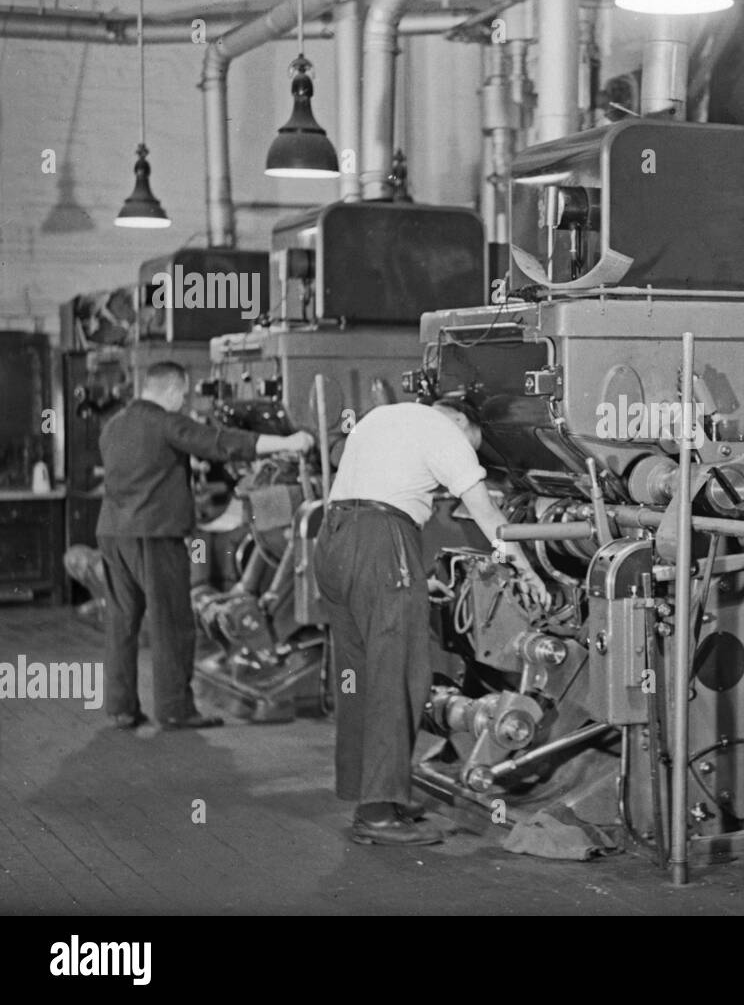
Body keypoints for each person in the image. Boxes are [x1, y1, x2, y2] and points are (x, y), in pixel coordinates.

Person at [314, 397, 549, 846]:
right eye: (475, 445)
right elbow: (488, 516)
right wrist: (526, 570)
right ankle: (378, 813)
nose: (471, 455)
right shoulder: (446, 431)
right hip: (382, 540)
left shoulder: (382, 415)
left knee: (359, 675)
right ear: (462, 420)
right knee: (396, 674)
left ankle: (371, 794)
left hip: (335, 539)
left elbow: (377, 489)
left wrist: (409, 583)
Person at [98, 361, 316, 730]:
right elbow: (221, 443)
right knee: (172, 622)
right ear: (169, 390)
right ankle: (175, 710)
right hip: (156, 534)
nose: (183, 402)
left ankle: (120, 708)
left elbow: (144, 466)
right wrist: (289, 442)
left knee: (121, 622)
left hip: (112, 533)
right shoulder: (165, 422)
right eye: (182, 395)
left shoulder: (114, 425)